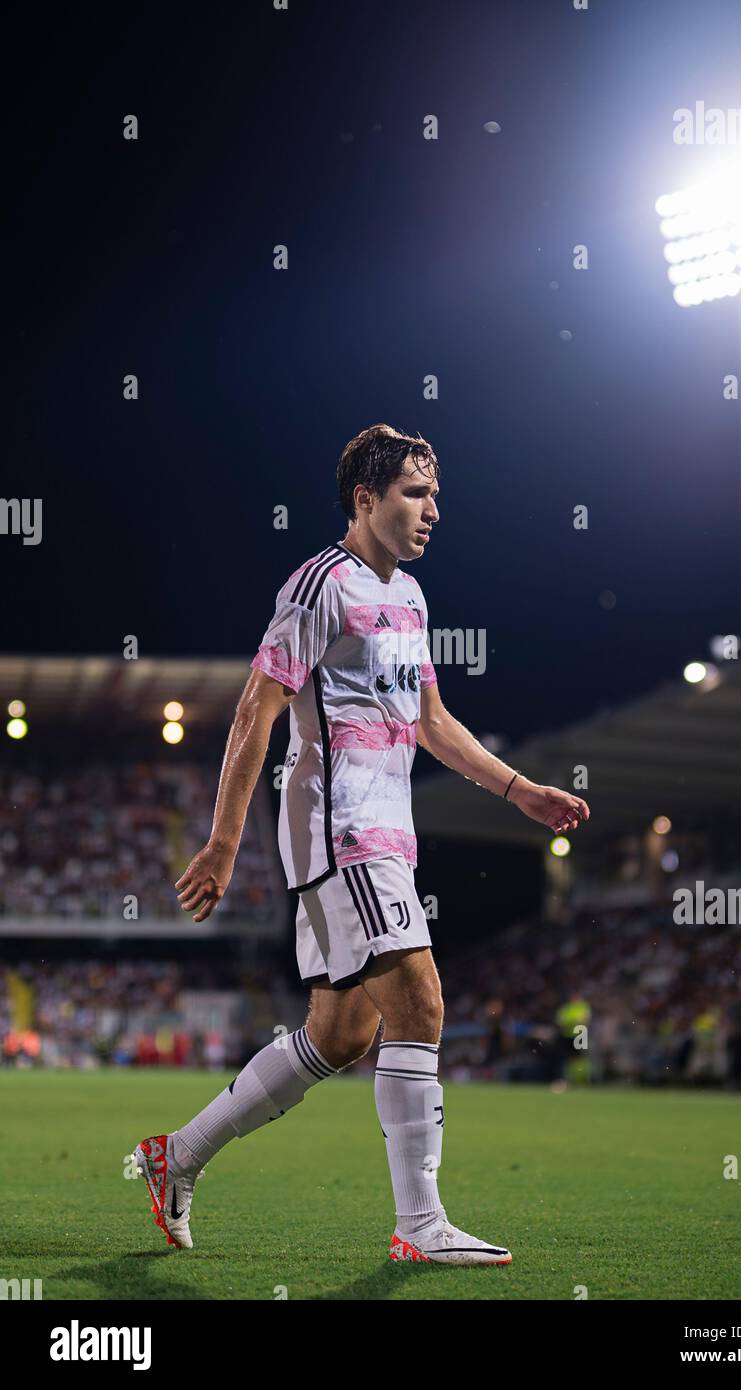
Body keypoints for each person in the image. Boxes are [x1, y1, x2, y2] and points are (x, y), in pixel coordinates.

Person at [133, 423, 589, 1266]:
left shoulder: (410, 599)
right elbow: (254, 713)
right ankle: (419, 1225)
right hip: (339, 830)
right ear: (365, 499)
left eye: (435, 495)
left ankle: (177, 1157)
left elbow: (431, 722)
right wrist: (223, 841)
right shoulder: (319, 588)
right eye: (415, 494)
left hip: (385, 835)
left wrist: (519, 790)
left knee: (339, 1034)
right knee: (420, 1004)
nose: (432, 511)